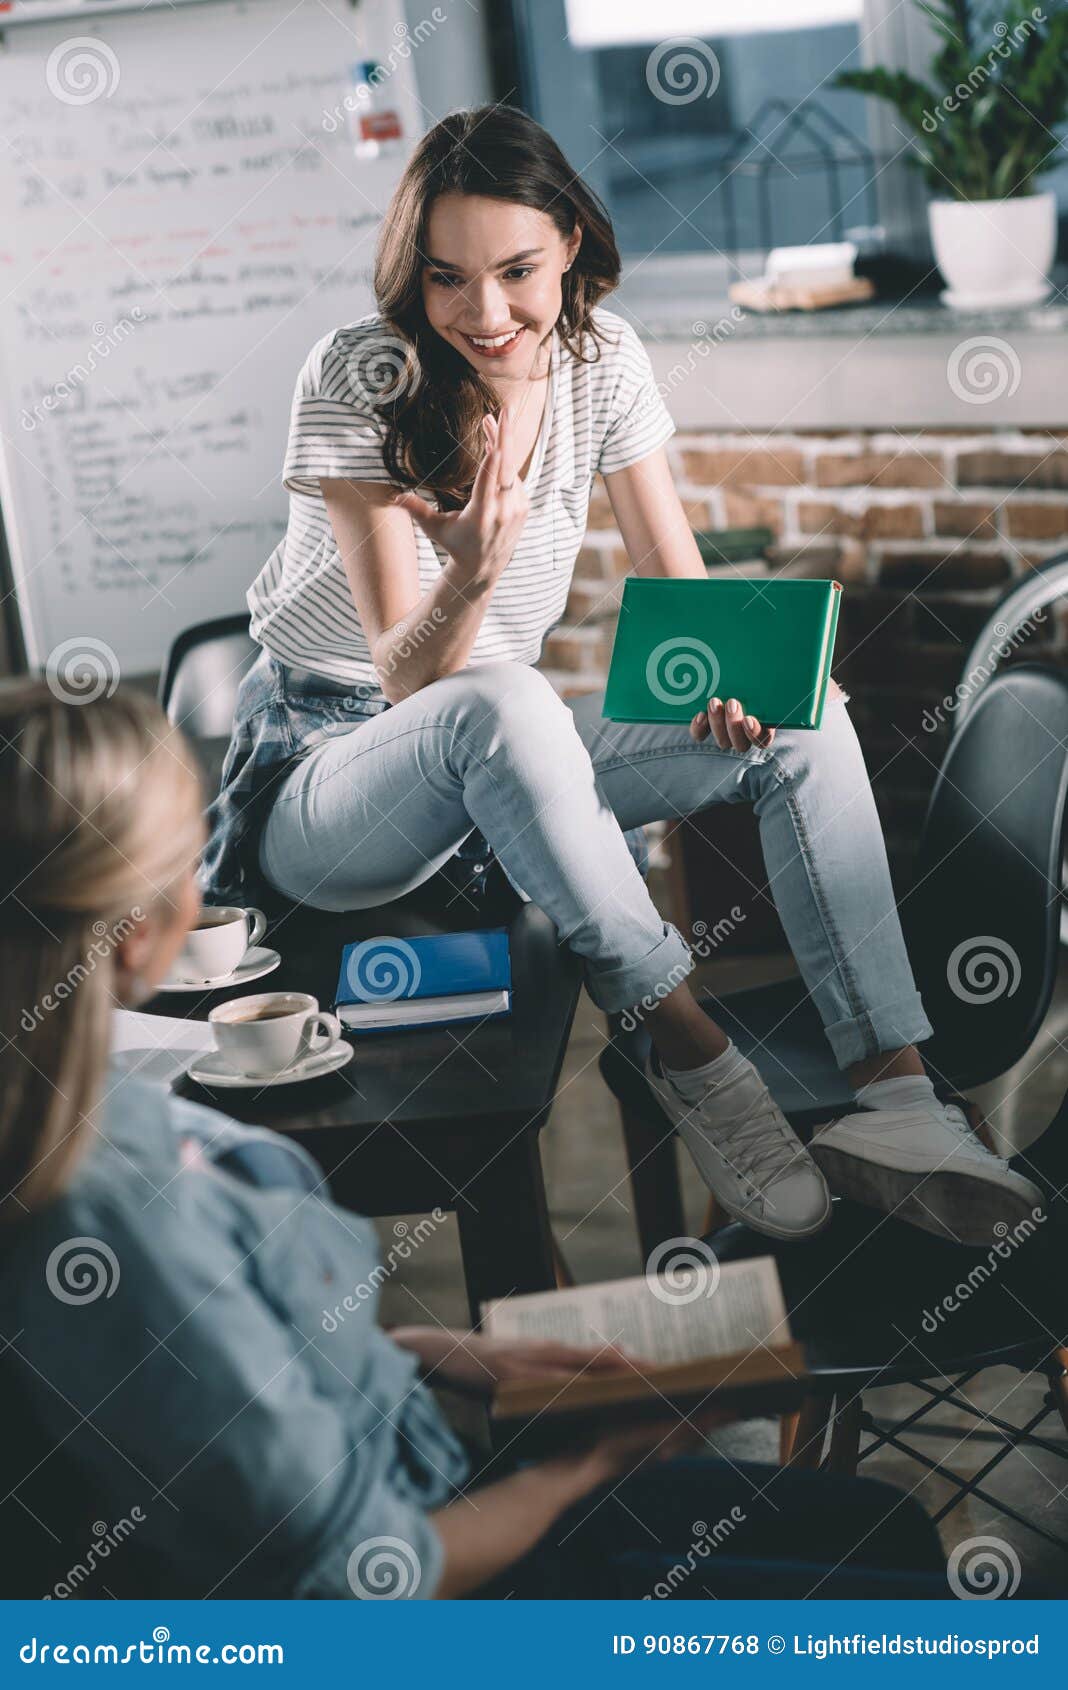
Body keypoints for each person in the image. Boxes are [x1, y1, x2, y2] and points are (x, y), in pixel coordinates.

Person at [199, 104, 1041, 1249]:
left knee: (802, 718)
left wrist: (738, 684)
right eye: (447, 277)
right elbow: (414, 679)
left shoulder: (606, 360)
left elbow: (681, 595)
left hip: (508, 755)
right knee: (501, 697)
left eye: (517, 271)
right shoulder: (364, 373)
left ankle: (897, 1101)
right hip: (335, 774)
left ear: (574, 249)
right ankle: (688, 1052)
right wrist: (476, 571)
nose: (483, 313)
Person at [0, 682, 948, 1600]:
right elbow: (360, 1581)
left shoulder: (84, 1113)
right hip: (448, 1577)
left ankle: (871, 1096)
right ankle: (700, 1050)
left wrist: (433, 1353)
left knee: (888, 1532)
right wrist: (585, 1465)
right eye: (185, 854)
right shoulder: (114, 1202)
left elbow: (211, 1400)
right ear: (137, 932)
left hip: (415, 1455)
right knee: (893, 1580)